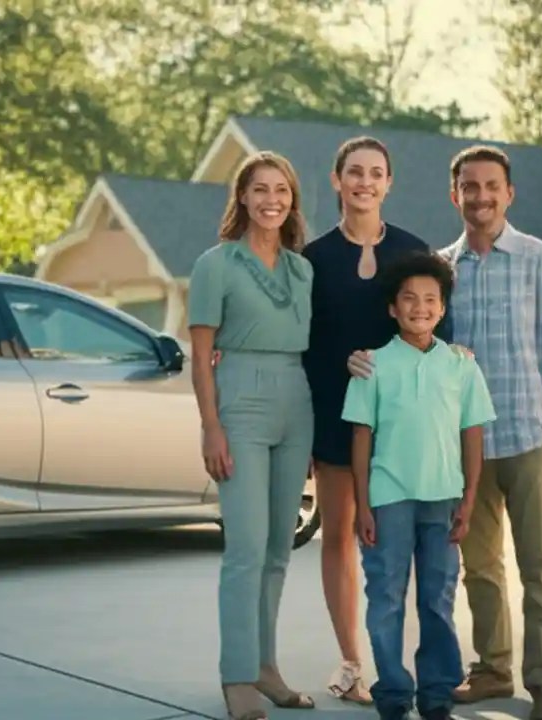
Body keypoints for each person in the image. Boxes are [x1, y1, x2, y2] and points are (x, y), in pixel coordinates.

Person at [347, 145, 542, 720]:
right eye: (469, 186)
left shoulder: (540, 259)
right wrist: (358, 359)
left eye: (491, 185)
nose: (481, 196)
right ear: (454, 195)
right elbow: (413, 339)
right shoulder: (441, 269)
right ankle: (493, 669)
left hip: (527, 435)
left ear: (509, 193)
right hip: (459, 452)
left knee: (540, 567)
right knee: (479, 568)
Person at [300, 135, 450, 705]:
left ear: (389, 183)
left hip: (404, 425)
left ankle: (411, 667)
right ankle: (350, 664)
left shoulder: (414, 252)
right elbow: (302, 342)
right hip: (335, 415)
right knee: (339, 536)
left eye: (375, 173)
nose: (364, 182)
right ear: (337, 180)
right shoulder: (313, 259)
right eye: (354, 172)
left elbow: (435, 328)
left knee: (404, 549)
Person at [187, 150, 318, 720]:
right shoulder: (215, 265)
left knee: (278, 549)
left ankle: (266, 666)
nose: (271, 200)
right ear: (242, 196)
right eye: (260, 189)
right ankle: (237, 675)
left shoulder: (302, 270)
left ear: (292, 200)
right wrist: (211, 426)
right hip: (239, 398)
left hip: (297, 399)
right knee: (245, 548)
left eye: (281, 190)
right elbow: (200, 356)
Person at [343, 251, 496, 720]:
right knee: (386, 599)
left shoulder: (461, 366)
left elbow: (472, 434)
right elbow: (361, 437)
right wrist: (363, 505)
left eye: (431, 299)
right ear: (393, 308)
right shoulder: (371, 365)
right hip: (388, 499)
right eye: (409, 298)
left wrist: (469, 499)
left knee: (437, 600)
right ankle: (392, 692)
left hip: (443, 499)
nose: (420, 307)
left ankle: (436, 693)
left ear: (443, 308)